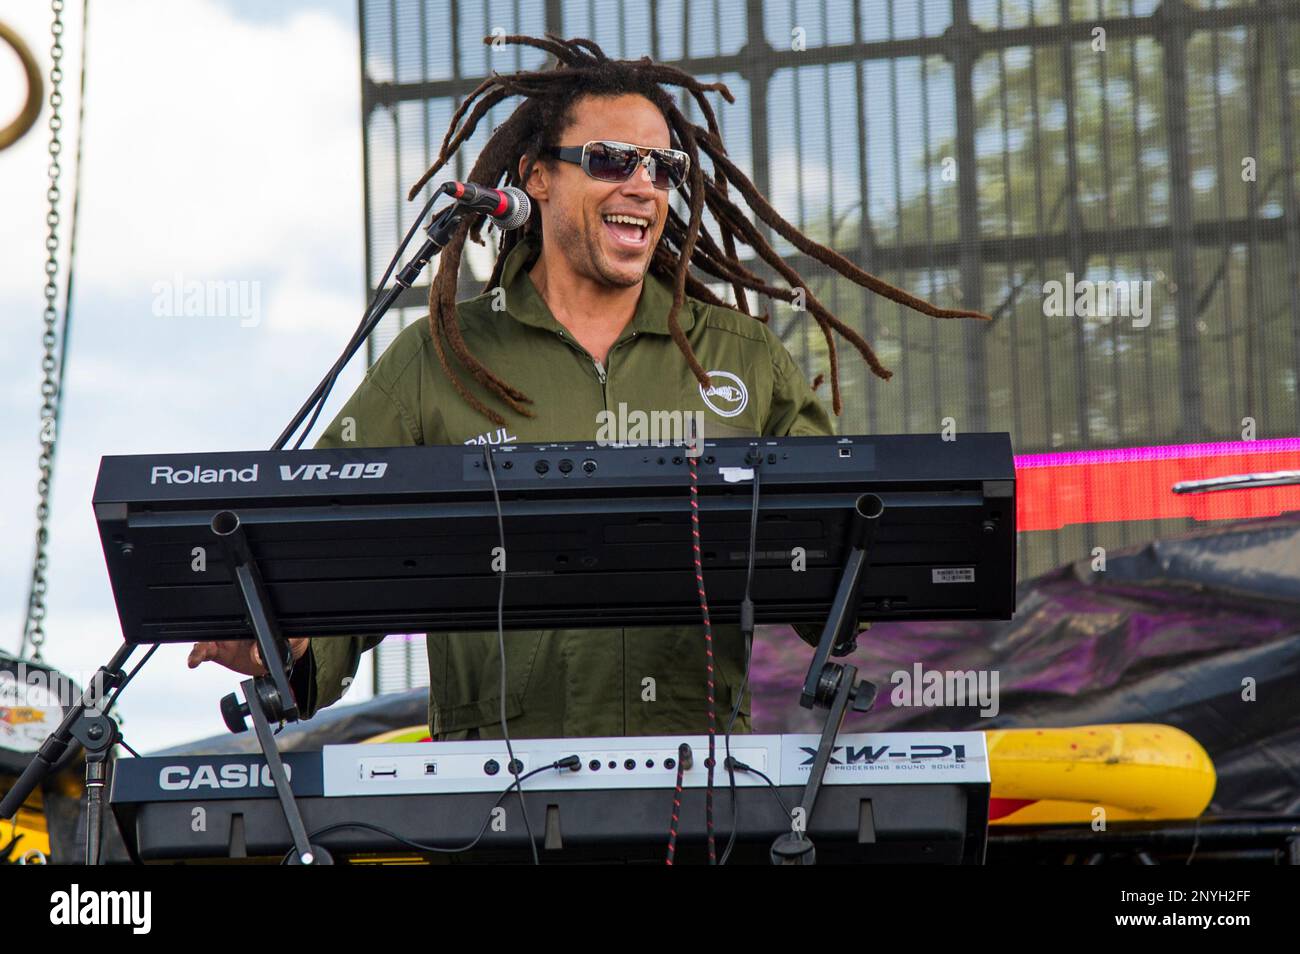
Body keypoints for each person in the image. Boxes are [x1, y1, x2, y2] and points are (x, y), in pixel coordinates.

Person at [187, 34, 987, 741]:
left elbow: (839, 558)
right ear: (535, 177)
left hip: (700, 793)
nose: (643, 183)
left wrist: (869, 581)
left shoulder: (744, 360)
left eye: (663, 166)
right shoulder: (435, 361)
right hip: (489, 803)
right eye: (610, 159)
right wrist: (284, 644)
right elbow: (330, 551)